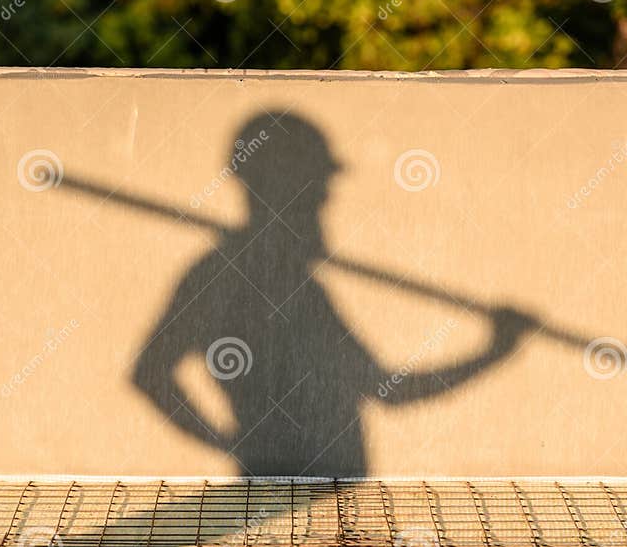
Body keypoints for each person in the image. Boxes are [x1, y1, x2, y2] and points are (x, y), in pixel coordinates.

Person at [132, 111, 537, 477]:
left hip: (311, 501)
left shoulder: (277, 280)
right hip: (295, 506)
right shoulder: (237, 279)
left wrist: (231, 445)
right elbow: (387, 392)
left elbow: (383, 389)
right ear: (279, 190)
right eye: (314, 189)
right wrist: (496, 350)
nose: (325, 200)